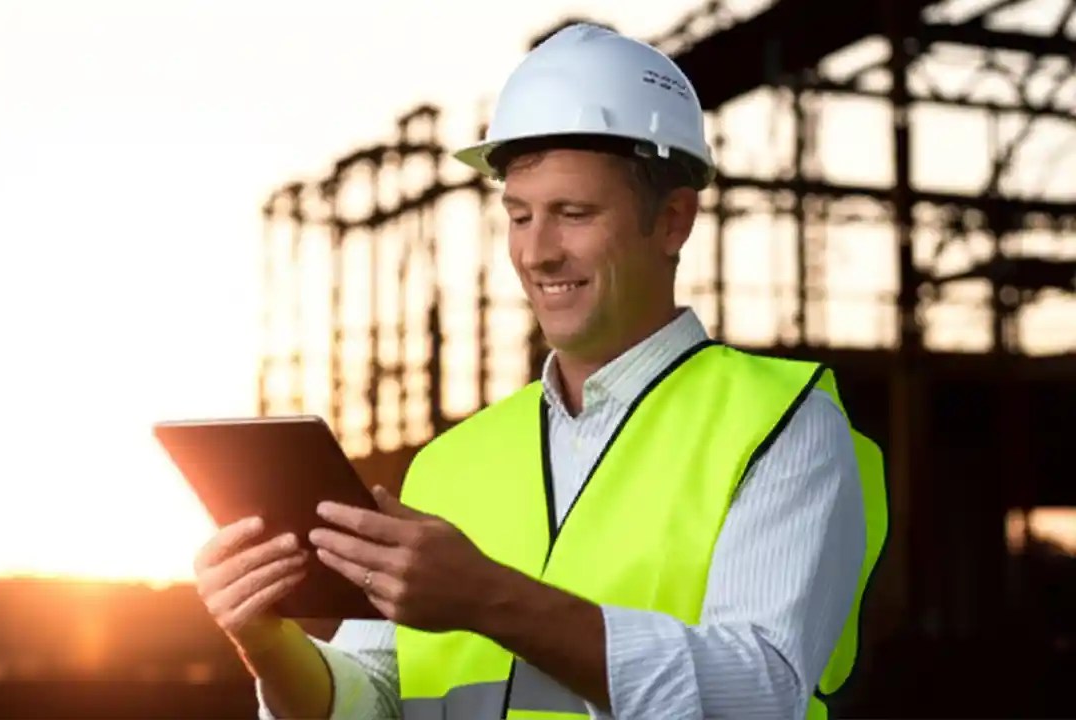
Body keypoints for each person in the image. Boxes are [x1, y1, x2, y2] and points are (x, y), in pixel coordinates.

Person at [193, 22, 887, 720]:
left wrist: (488, 597)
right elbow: (374, 702)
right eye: (519, 217)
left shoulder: (781, 425)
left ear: (673, 221)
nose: (537, 253)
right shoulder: (449, 464)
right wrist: (267, 641)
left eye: (573, 214)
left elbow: (758, 694)